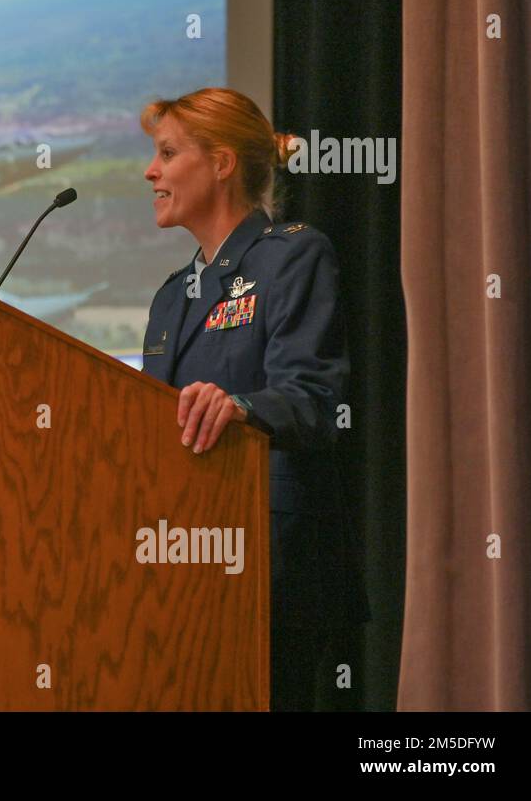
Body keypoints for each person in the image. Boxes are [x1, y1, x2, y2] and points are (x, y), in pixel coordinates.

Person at [138, 87, 369, 711]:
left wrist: (240, 407)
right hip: (178, 569)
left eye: (166, 153)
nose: (149, 170)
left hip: (273, 568)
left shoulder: (293, 254)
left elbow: (315, 401)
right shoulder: (169, 295)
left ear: (221, 163)